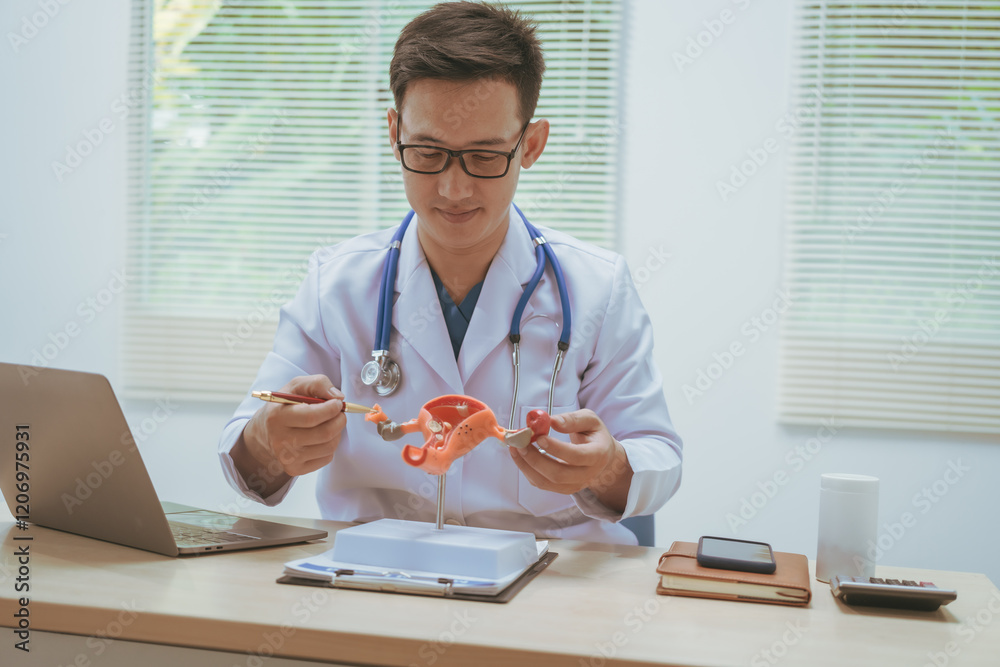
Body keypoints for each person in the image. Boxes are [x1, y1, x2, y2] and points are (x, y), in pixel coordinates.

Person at [218, 1, 682, 544]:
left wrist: (605, 467)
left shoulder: (597, 287)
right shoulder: (335, 285)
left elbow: (658, 456)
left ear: (529, 145)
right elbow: (247, 459)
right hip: (376, 577)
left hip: (550, 585)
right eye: (428, 151)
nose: (453, 188)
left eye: (485, 157)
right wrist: (271, 443)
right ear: (395, 135)